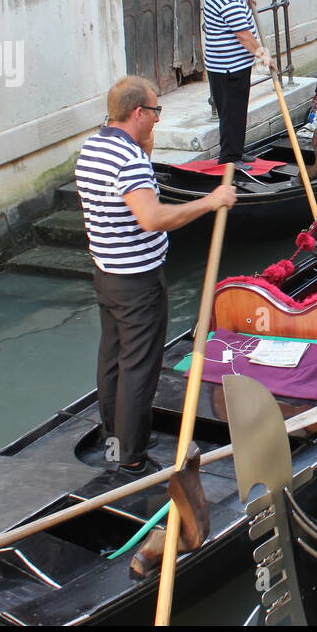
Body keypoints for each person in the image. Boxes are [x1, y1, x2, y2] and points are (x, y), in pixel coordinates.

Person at [76, 77, 238, 474]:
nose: (158, 119)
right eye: (155, 112)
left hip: (107, 274)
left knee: (112, 360)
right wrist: (212, 200)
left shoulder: (93, 148)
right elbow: (152, 218)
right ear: (138, 113)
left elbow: (129, 189)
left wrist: (143, 146)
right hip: (138, 283)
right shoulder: (127, 160)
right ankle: (131, 457)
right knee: (139, 368)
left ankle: (115, 439)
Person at [202, 0, 277, 168]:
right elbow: (243, 35)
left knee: (237, 111)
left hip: (232, 65)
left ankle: (237, 152)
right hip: (227, 68)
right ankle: (229, 159)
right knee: (232, 113)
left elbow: (238, 19)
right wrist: (263, 55)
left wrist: (246, 4)